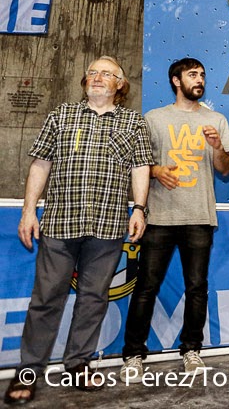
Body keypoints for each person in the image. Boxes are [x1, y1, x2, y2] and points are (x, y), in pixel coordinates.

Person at [5, 57, 152, 404]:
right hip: (59, 223)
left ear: (120, 84)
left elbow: (141, 167)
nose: (97, 77)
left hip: (108, 225)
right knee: (45, 299)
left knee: (93, 299)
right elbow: (40, 163)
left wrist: (140, 208)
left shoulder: (133, 123)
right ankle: (28, 371)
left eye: (106, 74)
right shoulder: (61, 115)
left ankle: (78, 364)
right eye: (92, 72)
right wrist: (29, 210)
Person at [119, 57, 229, 381]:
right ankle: (133, 354)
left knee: (197, 287)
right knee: (146, 287)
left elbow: (225, 168)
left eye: (202, 74)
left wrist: (215, 147)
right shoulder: (154, 119)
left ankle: (191, 350)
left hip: (198, 216)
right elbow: (138, 163)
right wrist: (156, 170)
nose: (199, 79)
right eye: (192, 74)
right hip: (159, 217)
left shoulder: (216, 120)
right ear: (175, 80)